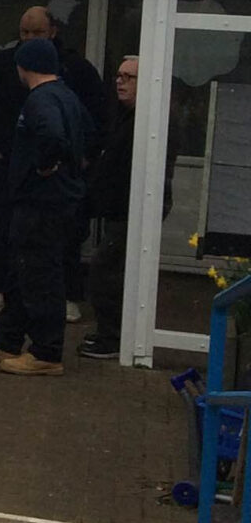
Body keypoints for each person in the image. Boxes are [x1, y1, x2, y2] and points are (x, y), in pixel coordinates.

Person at [0, 5, 109, 320]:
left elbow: (95, 118)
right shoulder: (1, 65)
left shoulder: (72, 71)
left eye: (37, 32)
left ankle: (67, 295)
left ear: (53, 33)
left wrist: (82, 158)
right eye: (25, 32)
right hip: (9, 164)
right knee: (2, 227)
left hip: (57, 172)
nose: (30, 38)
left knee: (63, 232)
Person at [79, 56, 176, 361]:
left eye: (129, 77)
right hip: (118, 207)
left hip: (133, 208)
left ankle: (113, 336)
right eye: (119, 76)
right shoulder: (123, 115)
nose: (120, 81)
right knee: (113, 270)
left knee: (104, 269)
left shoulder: (150, 122)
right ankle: (112, 331)